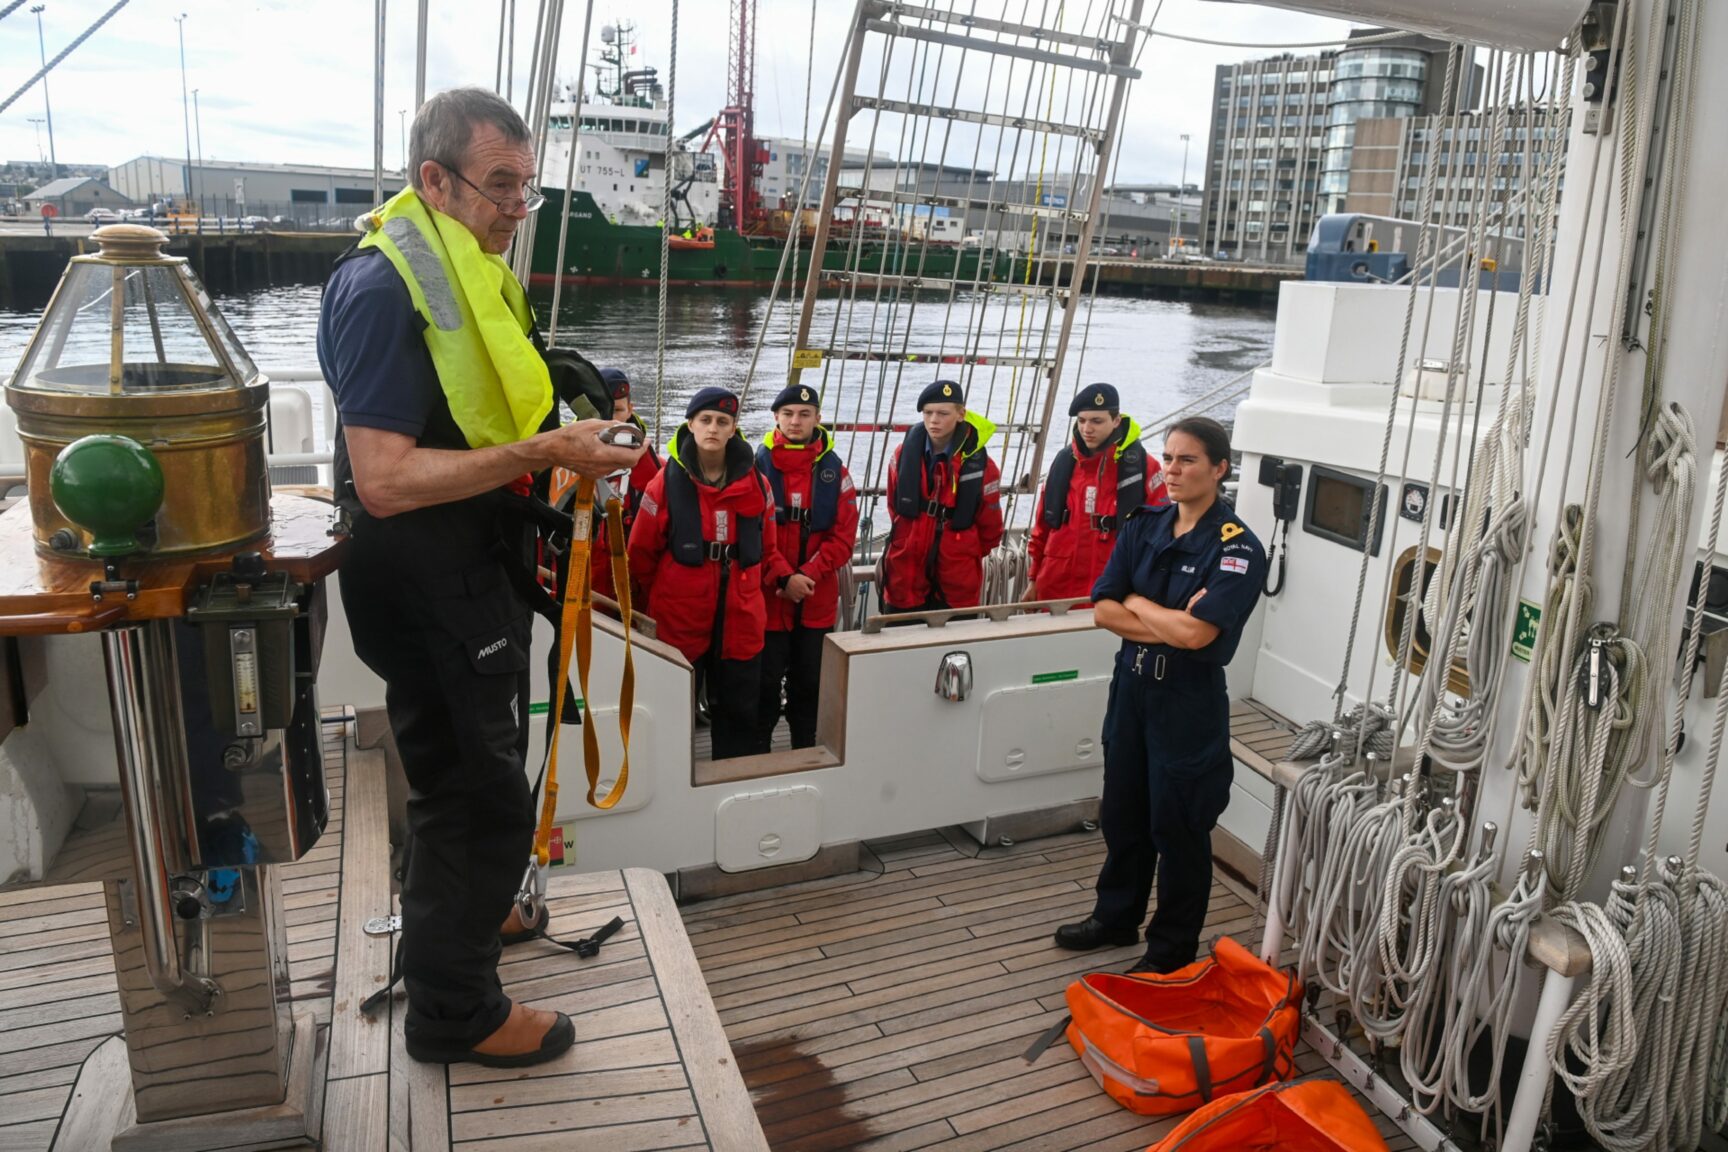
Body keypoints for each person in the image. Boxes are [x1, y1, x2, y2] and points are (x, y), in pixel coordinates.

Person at [319, 88, 644, 1067]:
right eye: (500, 185)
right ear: (434, 179)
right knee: (480, 795)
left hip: (463, 570)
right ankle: (454, 1012)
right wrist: (545, 447)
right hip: (426, 580)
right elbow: (381, 480)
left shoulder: (454, 269)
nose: (516, 207)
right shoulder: (384, 290)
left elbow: (468, 411)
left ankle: (457, 928)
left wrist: (566, 421)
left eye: (524, 186)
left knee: (462, 775)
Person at [1054, 417, 1266, 974]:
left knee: (1178, 827)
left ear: (1220, 469)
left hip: (1186, 703)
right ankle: (1116, 917)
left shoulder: (1237, 549)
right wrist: (1163, 615)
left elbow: (1199, 636)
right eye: (1168, 458)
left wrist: (1138, 604)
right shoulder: (1143, 525)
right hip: (1132, 690)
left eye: (1187, 460)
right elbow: (1103, 609)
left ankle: (1169, 950)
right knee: (1123, 812)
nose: (1171, 470)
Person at [628, 387, 788, 758]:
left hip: (742, 615)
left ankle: (733, 783)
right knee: (670, 710)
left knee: (738, 713)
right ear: (691, 425)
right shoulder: (665, 482)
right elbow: (640, 552)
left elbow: (767, 549)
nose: (713, 428)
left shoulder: (758, 485)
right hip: (679, 615)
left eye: (722, 421)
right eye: (705, 420)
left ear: (734, 429)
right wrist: (669, 591)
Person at [754, 384, 860, 749]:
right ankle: (759, 756)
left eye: (803, 414)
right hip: (769, 601)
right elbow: (752, 534)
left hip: (816, 599)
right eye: (788, 414)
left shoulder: (836, 473)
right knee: (763, 686)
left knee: (811, 686)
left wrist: (807, 576)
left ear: (817, 418)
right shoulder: (757, 469)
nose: (795, 421)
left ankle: (806, 751)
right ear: (776, 419)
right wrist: (784, 576)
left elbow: (844, 537)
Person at [1027, 384, 1167, 604]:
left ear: (1116, 420)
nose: (1087, 429)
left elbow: (1161, 533)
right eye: (1081, 421)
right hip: (1055, 584)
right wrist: (1033, 579)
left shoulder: (1144, 467)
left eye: (1096, 421)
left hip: (1112, 586)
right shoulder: (1064, 464)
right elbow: (1042, 526)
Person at [880, 379, 1004, 614]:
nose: (934, 420)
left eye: (943, 413)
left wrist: (960, 549)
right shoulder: (903, 455)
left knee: (953, 648)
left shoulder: (983, 467)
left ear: (961, 414)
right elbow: (894, 506)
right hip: (905, 575)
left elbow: (991, 530)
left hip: (957, 580)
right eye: (928, 413)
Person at [588, 366, 662, 604]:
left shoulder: (657, 471)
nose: (610, 419)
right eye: (602, 410)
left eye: (618, 410)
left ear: (630, 410)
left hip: (631, 593)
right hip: (582, 588)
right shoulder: (565, 463)